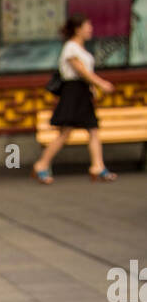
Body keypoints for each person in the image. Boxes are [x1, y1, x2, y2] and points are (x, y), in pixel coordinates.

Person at [32, 14, 117, 184]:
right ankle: (41, 164)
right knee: (65, 133)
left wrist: (93, 88)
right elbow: (82, 71)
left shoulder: (80, 48)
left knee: (93, 129)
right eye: (87, 26)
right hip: (73, 93)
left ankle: (98, 166)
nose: (90, 29)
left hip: (83, 92)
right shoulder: (70, 48)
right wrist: (101, 83)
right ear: (78, 29)